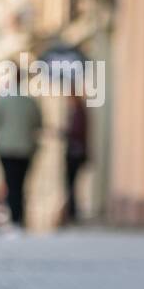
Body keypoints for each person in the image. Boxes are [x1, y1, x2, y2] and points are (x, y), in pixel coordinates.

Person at [0, 86, 43, 229]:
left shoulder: (2, 100)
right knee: (22, 184)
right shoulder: (30, 102)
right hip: (26, 148)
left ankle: (15, 217)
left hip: (7, 149)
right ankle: (20, 217)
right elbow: (38, 123)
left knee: (11, 184)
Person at [63, 94, 89, 225]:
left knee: (71, 183)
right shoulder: (78, 112)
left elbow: (75, 133)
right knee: (71, 183)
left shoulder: (78, 113)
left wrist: (63, 132)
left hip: (74, 153)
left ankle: (72, 211)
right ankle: (72, 210)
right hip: (76, 152)